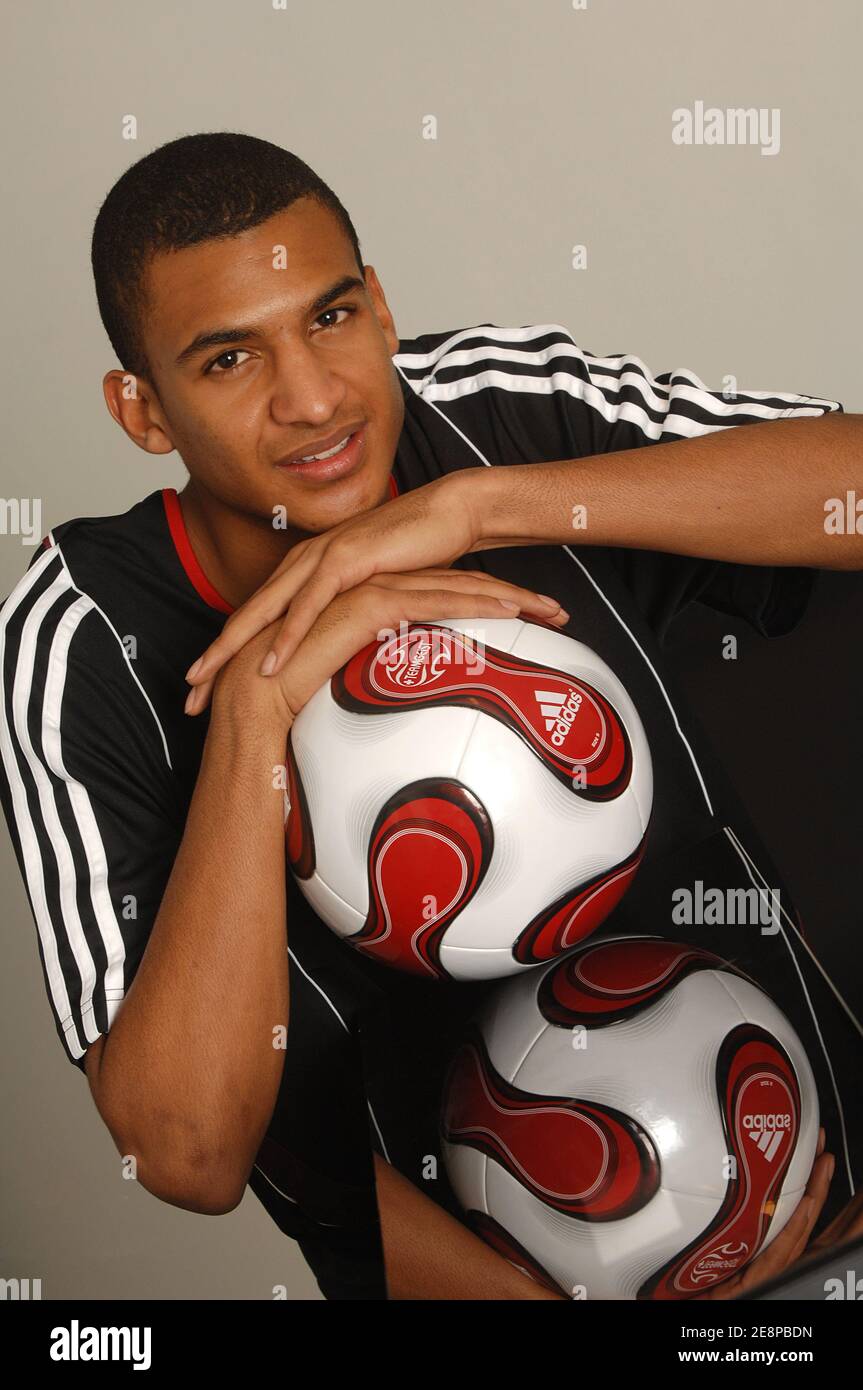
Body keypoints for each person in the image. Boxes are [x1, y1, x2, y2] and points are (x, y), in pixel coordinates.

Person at [1, 131, 860, 1301]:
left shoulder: (494, 407)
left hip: (817, 1199)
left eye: (332, 316)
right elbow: (190, 1152)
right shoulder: (83, 631)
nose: (312, 399)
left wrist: (475, 507)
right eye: (226, 361)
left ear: (382, 307)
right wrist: (257, 711)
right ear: (141, 410)